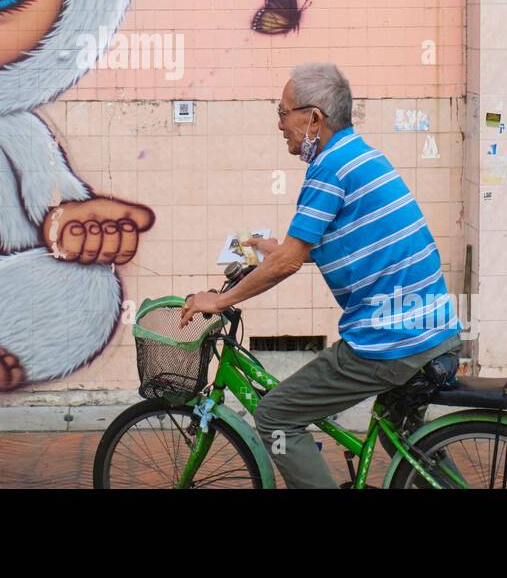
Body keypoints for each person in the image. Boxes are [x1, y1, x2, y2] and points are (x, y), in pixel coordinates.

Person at [181, 63, 463, 488]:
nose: (279, 125)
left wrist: (220, 300)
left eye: (282, 112)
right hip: (433, 327)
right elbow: (351, 240)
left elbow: (290, 262)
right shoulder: (360, 155)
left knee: (276, 415)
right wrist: (283, 249)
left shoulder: (329, 168)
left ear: (313, 117)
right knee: (404, 435)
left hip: (389, 339)